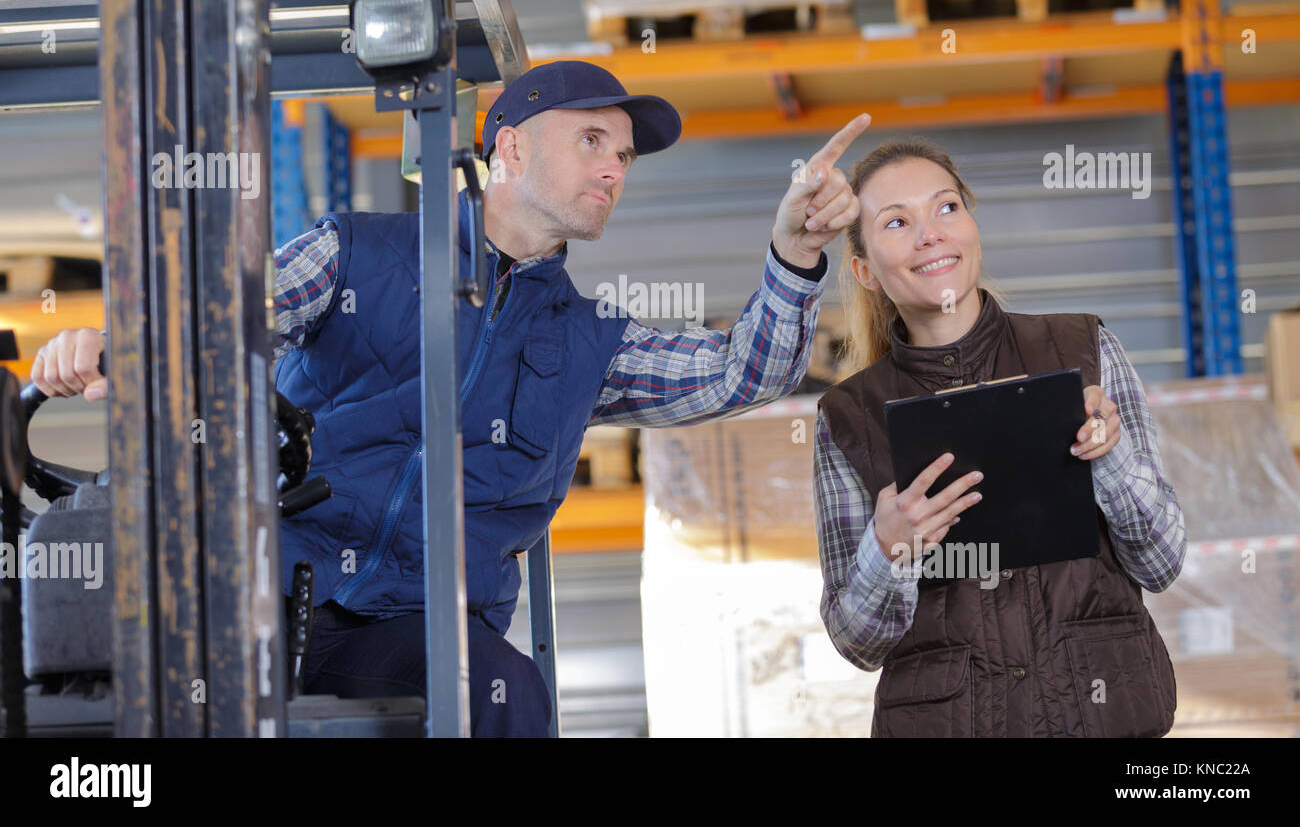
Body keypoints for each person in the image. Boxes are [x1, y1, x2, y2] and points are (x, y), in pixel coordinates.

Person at [31, 60, 872, 737]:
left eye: (623, 155)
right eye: (593, 142)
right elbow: (221, 322)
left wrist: (793, 256)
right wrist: (117, 345)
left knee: (508, 696)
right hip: (267, 593)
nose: (615, 168)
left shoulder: (594, 338)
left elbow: (741, 373)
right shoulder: (353, 252)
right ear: (509, 149)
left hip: (421, 632)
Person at [813, 138, 1186, 738]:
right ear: (866, 272)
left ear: (972, 225)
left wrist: (1110, 460)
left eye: (946, 208)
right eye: (897, 222)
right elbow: (859, 644)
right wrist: (888, 552)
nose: (930, 234)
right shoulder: (848, 418)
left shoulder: (1083, 350)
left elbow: (1163, 562)